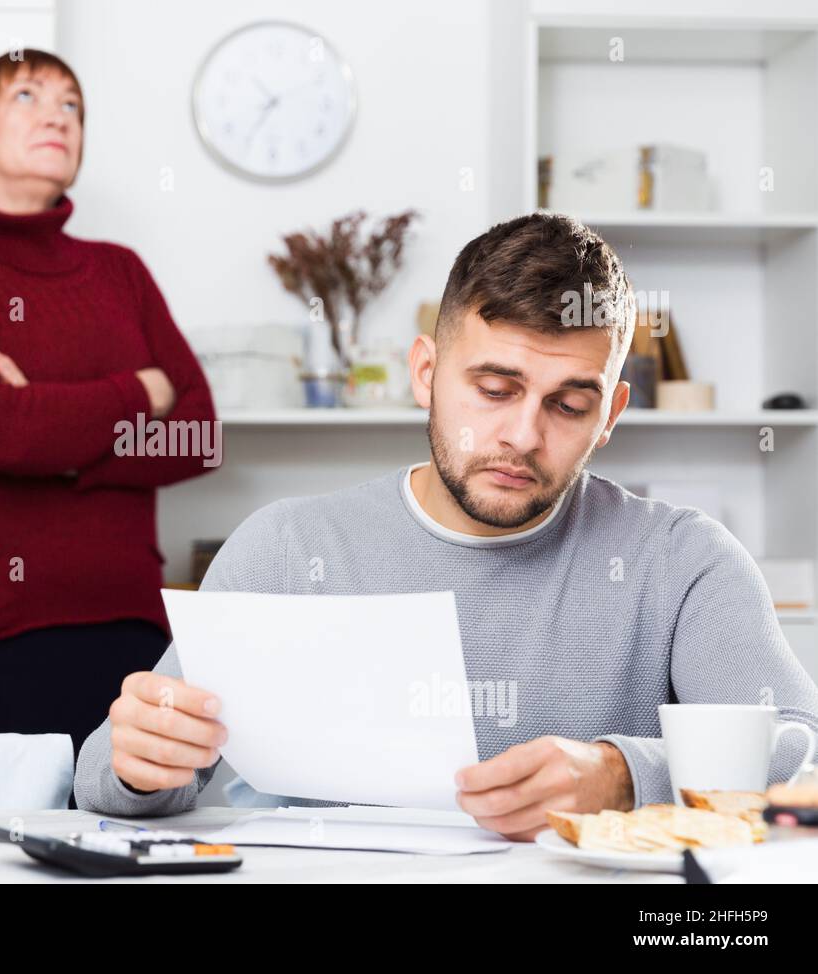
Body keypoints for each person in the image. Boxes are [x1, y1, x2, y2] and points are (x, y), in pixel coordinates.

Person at [74, 212, 818, 840]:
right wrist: (137, 761)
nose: (522, 435)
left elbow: (806, 763)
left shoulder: (682, 560)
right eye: (494, 388)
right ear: (425, 373)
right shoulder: (287, 549)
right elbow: (106, 781)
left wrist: (625, 777)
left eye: (568, 405)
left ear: (612, 415)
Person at [0, 49, 219, 763]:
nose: (58, 114)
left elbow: (198, 437)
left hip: (121, 621)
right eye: (28, 96)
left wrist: (58, 440)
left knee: (123, 850)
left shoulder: (119, 269)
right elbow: (3, 434)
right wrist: (138, 393)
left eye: (72, 105)